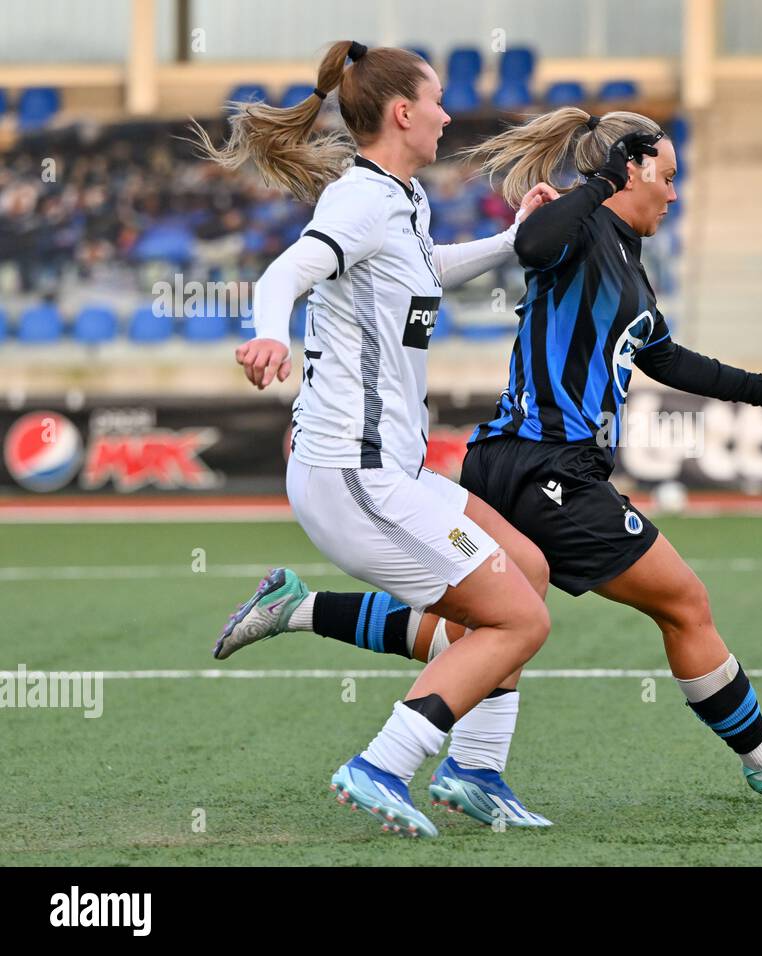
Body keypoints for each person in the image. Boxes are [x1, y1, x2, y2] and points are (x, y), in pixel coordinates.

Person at [217, 106, 762, 819]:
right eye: (667, 177)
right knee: (682, 603)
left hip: (515, 462)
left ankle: (425, 724)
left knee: (486, 621)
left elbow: (671, 358)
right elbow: (535, 239)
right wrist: (595, 185)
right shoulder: (579, 230)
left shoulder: (626, 264)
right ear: (633, 170)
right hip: (546, 468)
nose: (674, 195)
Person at [202, 40, 561, 837]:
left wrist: (512, 239)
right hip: (350, 474)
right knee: (519, 622)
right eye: (436, 102)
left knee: (528, 572)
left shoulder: (402, 199)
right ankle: (380, 766)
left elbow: (423, 269)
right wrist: (267, 336)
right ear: (403, 112)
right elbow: (281, 276)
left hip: (387, 468)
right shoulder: (360, 200)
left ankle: (474, 769)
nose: (446, 115)